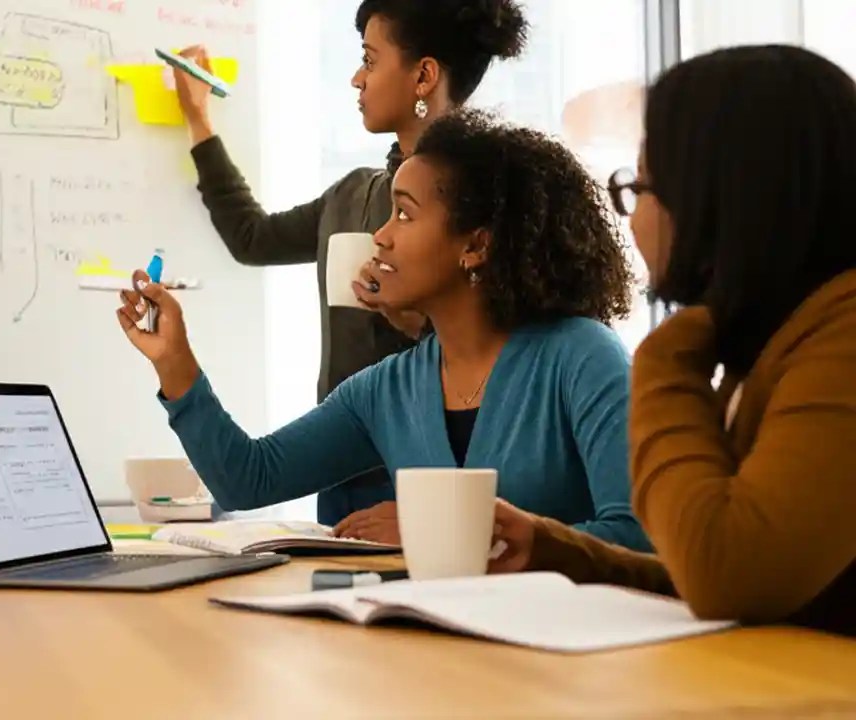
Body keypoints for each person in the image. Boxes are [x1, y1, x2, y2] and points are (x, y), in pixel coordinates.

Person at [117, 110, 650, 552]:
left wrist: (440, 534)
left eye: (404, 213)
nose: (382, 235)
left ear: (476, 246)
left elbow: (638, 536)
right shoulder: (389, 388)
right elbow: (248, 479)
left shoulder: (582, 357)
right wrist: (173, 361)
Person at [489, 45, 856, 635]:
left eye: (641, 186)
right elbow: (755, 582)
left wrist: (664, 359)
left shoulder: (841, 339)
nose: (631, 219)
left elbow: (731, 574)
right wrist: (564, 553)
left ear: (720, 197)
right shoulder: (781, 337)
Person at [173, 0, 528, 525]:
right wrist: (198, 121)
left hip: (441, 481)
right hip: (334, 467)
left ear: (424, 75)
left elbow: (507, 360)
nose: (356, 79)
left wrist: (418, 327)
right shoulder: (351, 195)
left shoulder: (499, 205)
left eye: (370, 58)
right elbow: (252, 238)